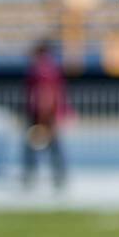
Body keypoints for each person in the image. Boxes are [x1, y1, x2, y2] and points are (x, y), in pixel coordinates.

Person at [22, 40, 68, 193]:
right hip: (49, 114)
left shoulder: (40, 69)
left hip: (43, 115)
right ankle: (59, 177)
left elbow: (45, 94)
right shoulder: (52, 68)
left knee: (36, 146)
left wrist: (43, 115)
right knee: (53, 147)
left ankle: (31, 176)